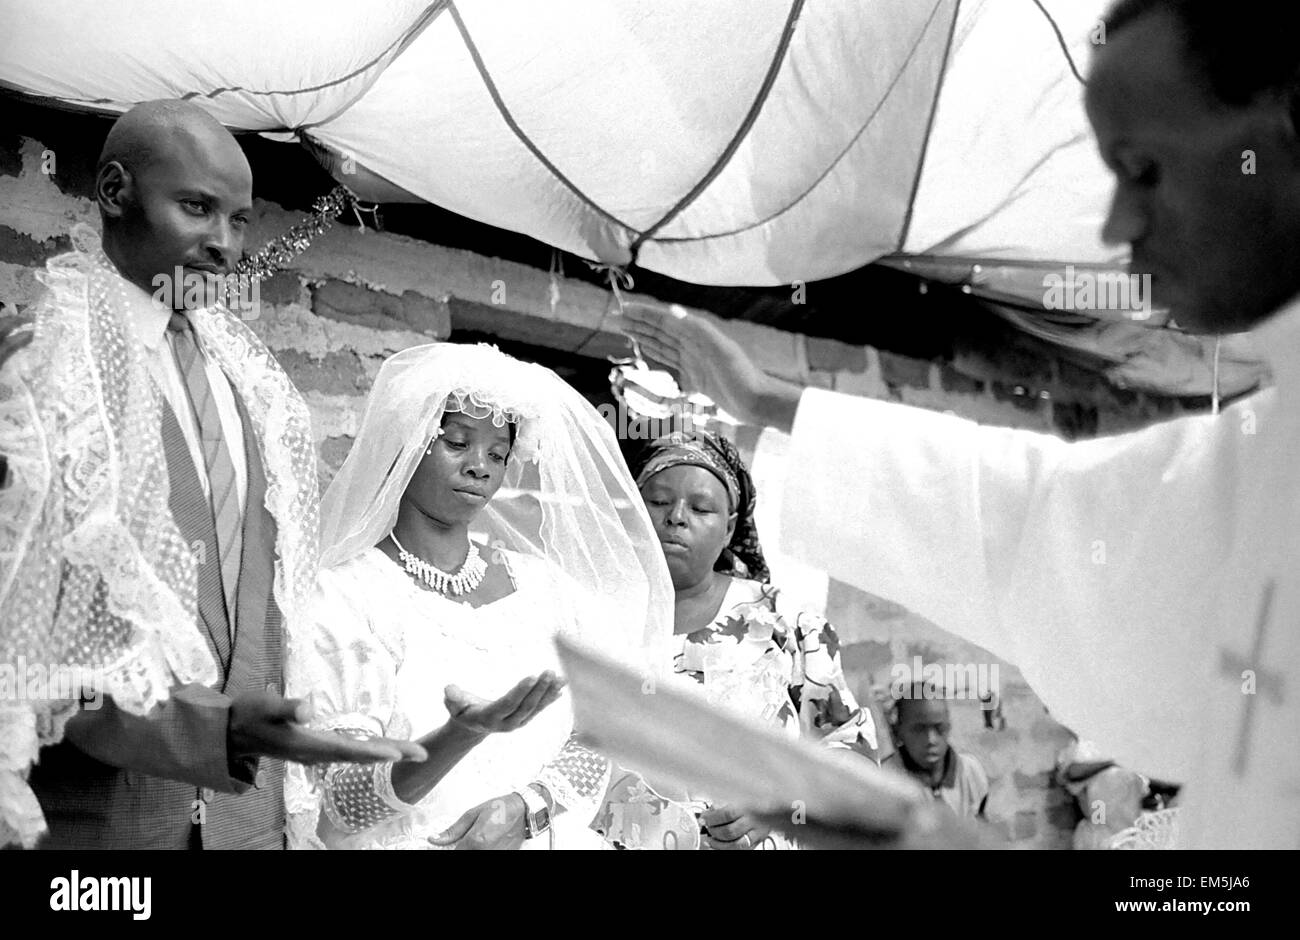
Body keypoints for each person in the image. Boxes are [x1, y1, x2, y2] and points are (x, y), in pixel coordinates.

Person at [622, 1, 1300, 849]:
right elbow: (1038, 505)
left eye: (1146, 169)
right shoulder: (612, 611)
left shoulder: (774, 621)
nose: (1118, 228)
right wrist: (764, 402)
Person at [0, 100, 420, 850]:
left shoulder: (251, 385)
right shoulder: (44, 371)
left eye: (241, 219)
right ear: (115, 191)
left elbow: (261, 602)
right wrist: (215, 730)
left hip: (248, 825)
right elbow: (28, 641)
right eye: (197, 207)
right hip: (104, 832)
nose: (225, 245)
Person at [284, 343, 674, 849]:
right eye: (457, 443)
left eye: (496, 453)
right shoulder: (345, 596)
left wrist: (530, 806)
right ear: (406, 444)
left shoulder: (545, 591)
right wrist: (461, 735)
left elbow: (605, 725)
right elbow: (343, 805)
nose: (479, 467)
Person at [590, 428, 877, 850]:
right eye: (658, 501)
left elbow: (851, 751)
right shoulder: (597, 617)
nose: (676, 517)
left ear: (728, 530)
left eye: (701, 507)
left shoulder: (785, 623)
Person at [883, 688, 989, 820]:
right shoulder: (884, 780)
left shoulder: (969, 771)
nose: (931, 740)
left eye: (939, 728)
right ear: (898, 731)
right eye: (919, 730)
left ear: (949, 727)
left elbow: (981, 827)